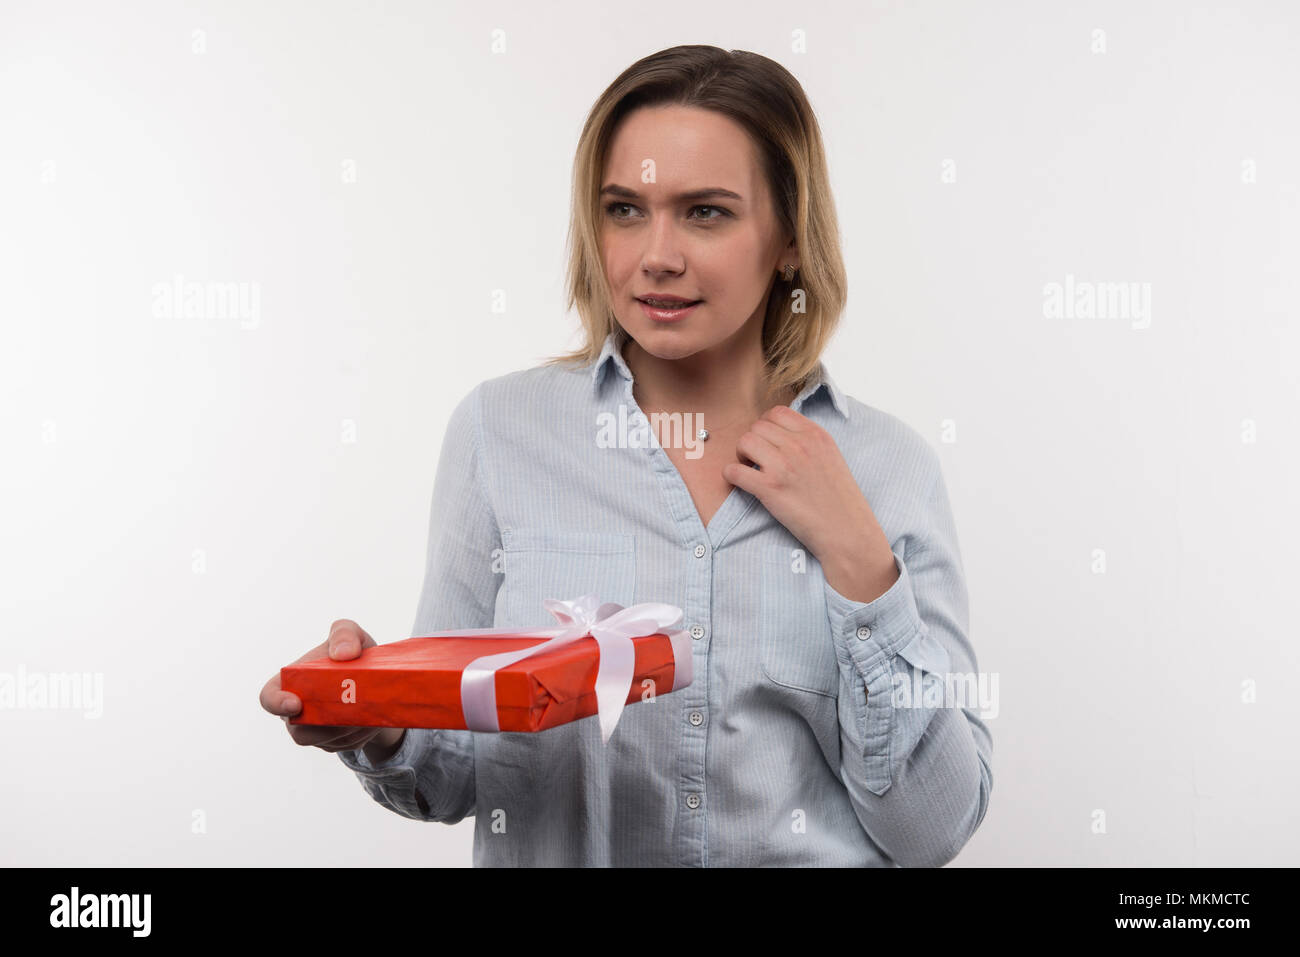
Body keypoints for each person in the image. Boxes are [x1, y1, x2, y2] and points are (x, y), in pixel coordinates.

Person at [260, 44, 992, 866]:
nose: (657, 255)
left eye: (706, 211)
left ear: (788, 236)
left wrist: (860, 559)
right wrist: (383, 722)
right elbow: (455, 771)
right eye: (625, 209)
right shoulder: (499, 433)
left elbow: (933, 828)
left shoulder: (891, 467)